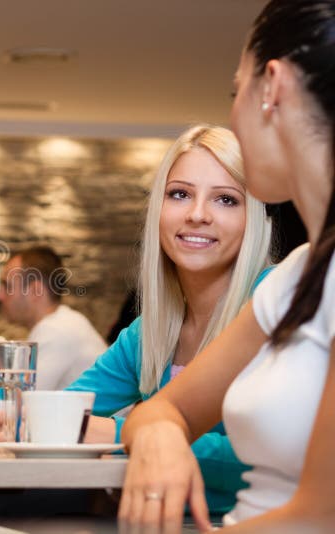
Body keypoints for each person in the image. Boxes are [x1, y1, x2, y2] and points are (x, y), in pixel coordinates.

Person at [0, 124, 274, 518]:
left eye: (226, 200)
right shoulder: (150, 332)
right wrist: (8, 423)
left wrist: (120, 434)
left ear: (255, 217)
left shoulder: (275, 301)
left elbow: (273, 455)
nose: (198, 215)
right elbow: (61, 413)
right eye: (180, 194)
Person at [119, 1, 335, 531]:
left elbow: (319, 517)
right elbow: (165, 409)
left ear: (272, 89)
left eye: (234, 92)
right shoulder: (296, 279)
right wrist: (161, 433)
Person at [0, 246, 108, 390]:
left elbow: (19, 404)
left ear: (36, 290)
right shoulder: (62, 323)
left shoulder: (57, 331)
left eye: (7, 285)